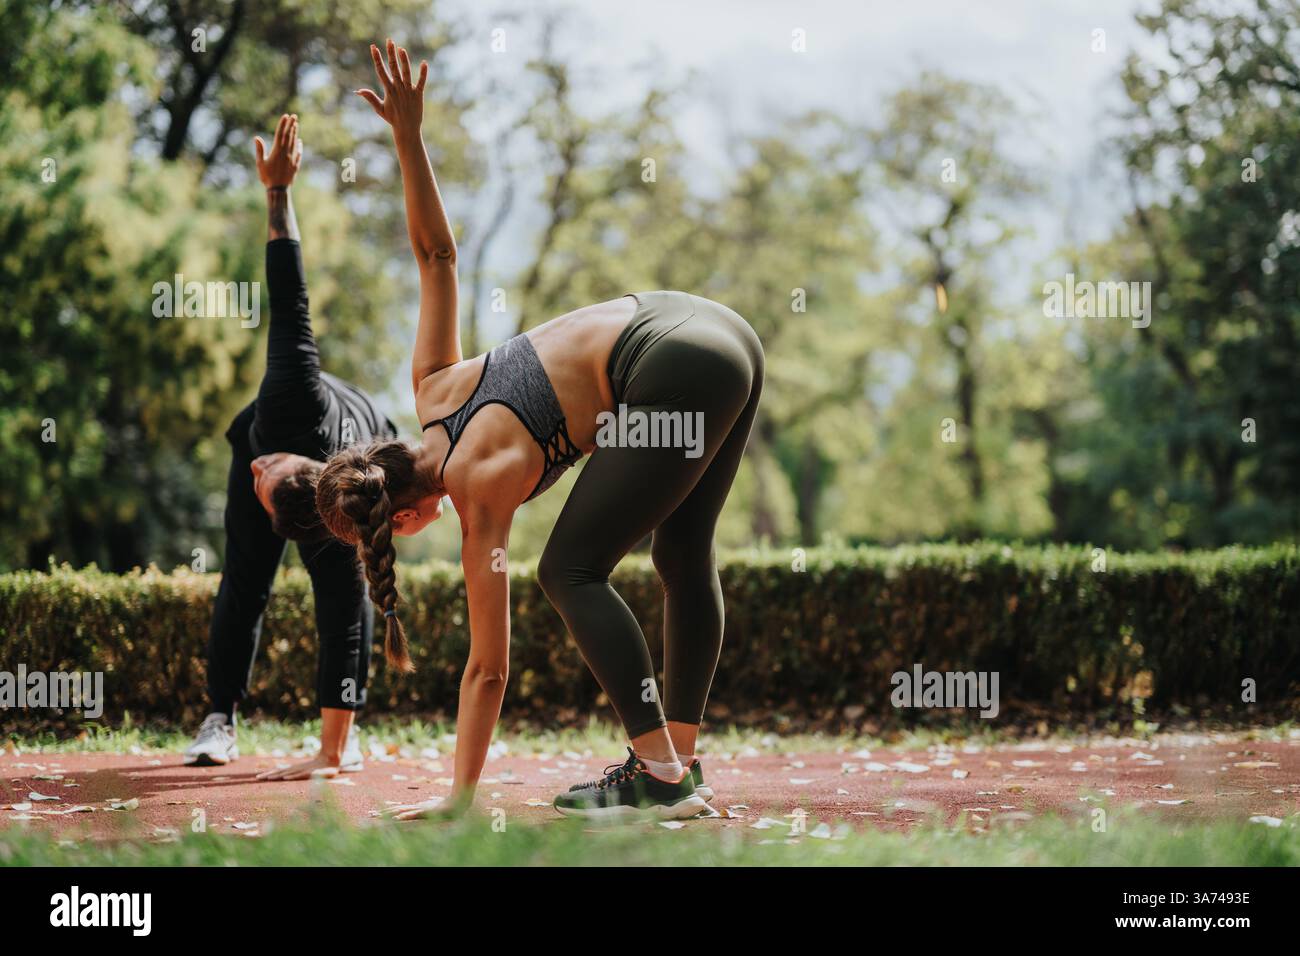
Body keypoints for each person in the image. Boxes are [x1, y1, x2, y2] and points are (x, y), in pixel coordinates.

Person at [316, 41, 762, 819]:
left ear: (403, 516)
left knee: (568, 570)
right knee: (682, 550)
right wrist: (407, 136)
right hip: (718, 331)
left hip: (671, 365)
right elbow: (436, 255)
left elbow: (487, 671)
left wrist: (458, 799)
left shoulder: (479, 491)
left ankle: (660, 774)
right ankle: (677, 762)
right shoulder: (431, 387)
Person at [183, 114, 397, 781]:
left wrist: (334, 750)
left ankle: (349, 727)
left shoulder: (349, 511)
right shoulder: (288, 400)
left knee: (345, 595)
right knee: (243, 582)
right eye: (264, 472)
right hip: (312, 419)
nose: (253, 470)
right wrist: (278, 193)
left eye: (260, 476)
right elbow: (290, 295)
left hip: (360, 452)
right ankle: (221, 715)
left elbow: (344, 620)